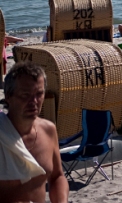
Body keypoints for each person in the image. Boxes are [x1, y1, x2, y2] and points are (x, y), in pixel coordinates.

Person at [0, 63, 69, 203]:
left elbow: (57, 177)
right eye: (25, 95)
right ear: (8, 96)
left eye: (39, 94)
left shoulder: (48, 130)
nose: (34, 102)